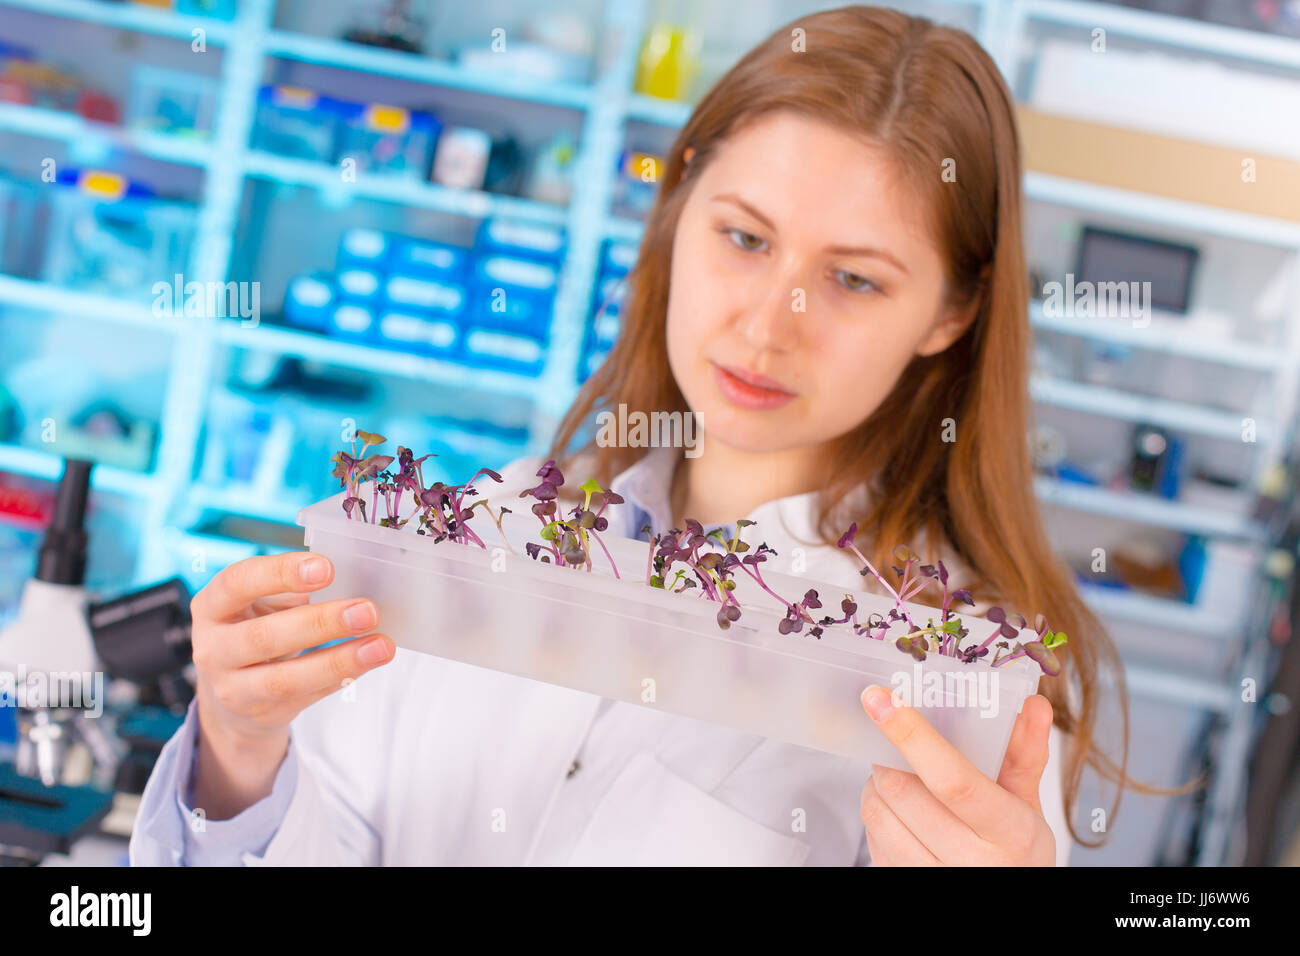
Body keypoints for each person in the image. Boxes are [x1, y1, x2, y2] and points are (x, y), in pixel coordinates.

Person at [130, 5, 1148, 867]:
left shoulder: (964, 692)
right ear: (675, 210)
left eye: (854, 279)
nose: (765, 323)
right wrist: (238, 757)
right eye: (743, 237)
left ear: (949, 315)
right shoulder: (479, 530)